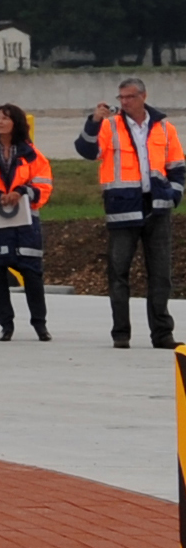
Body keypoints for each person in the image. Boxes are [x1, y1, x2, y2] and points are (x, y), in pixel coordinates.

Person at [74, 77, 183, 349]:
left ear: (143, 96)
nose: (124, 102)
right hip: (123, 209)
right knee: (118, 272)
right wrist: (93, 122)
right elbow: (86, 150)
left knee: (160, 274)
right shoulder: (109, 126)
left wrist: (174, 195)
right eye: (121, 97)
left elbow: (177, 166)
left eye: (129, 97)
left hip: (157, 209)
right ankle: (121, 333)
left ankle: (162, 334)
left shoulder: (164, 127)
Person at [0, 103, 53, 342]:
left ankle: (40, 324)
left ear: (15, 122)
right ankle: (6, 325)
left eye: (5, 118)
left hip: (23, 223)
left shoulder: (32, 153)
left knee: (32, 273)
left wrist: (22, 191)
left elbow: (44, 184)